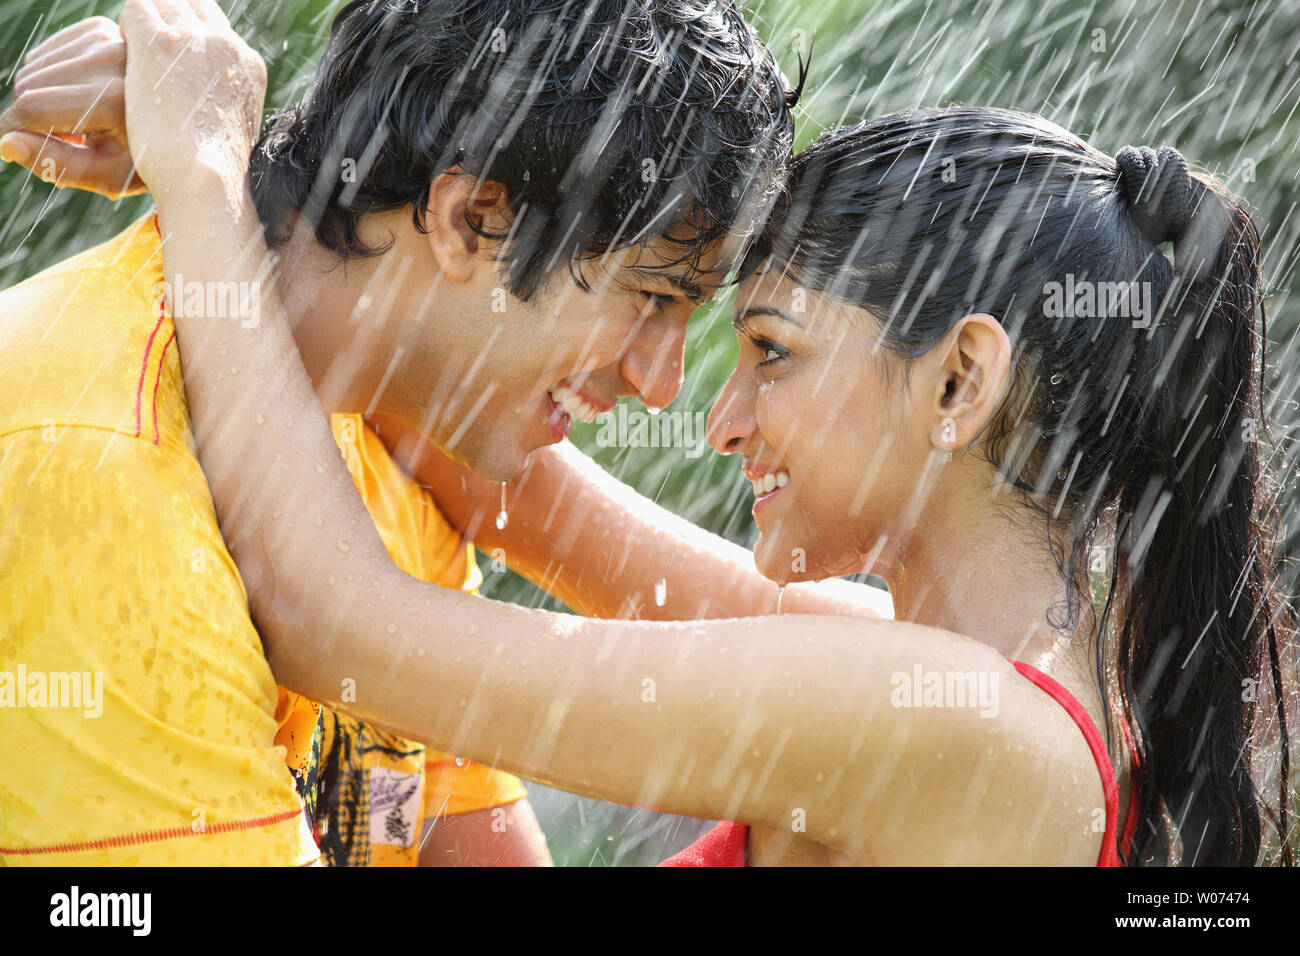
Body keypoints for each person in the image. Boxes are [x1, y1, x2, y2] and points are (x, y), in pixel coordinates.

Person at [131, 0, 1298, 865]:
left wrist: (200, 171)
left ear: (959, 382)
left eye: (773, 351)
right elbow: (503, 479)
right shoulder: (954, 675)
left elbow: (335, 623)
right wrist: (307, 192)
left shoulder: (960, 723)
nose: (714, 414)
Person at [0, 0, 839, 865]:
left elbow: (348, 627)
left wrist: (210, 164)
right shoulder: (98, 468)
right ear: (470, 218)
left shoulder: (399, 444)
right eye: (651, 299)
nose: (661, 390)